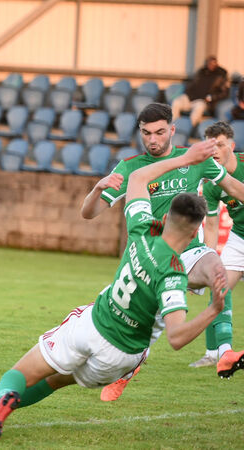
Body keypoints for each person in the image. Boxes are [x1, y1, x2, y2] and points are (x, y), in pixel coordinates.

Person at [0, 139, 238, 444]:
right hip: (120, 358)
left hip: (93, 325)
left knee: (21, 375)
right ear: (195, 230)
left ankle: (0, 401)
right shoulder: (173, 273)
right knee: (53, 382)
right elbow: (176, 338)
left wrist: (185, 157)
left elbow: (139, 178)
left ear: (167, 218)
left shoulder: (141, 229)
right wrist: (213, 309)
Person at [80, 103, 244, 401]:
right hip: (146, 257)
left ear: (172, 129)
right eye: (146, 133)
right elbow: (88, 214)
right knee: (142, 327)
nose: (152, 140)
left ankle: (224, 352)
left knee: (217, 272)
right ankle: (129, 369)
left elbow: (234, 187)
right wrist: (96, 189)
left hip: (189, 250)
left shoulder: (193, 158)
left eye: (158, 132)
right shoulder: (130, 167)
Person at [200, 122, 244, 368]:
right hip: (239, 239)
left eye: (220, 145)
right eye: (210, 146)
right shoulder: (211, 184)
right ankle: (219, 352)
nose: (215, 150)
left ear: (232, 146)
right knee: (218, 288)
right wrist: (207, 258)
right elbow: (213, 225)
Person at [171, 56, 229, 126]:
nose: (211, 65)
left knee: (199, 107)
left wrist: (211, 98)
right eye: (209, 63)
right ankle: (174, 125)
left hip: (203, 100)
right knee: (176, 102)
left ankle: (189, 127)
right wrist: (187, 93)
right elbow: (192, 84)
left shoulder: (221, 75)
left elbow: (224, 93)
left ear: (217, 64)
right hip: (190, 97)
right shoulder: (201, 72)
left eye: (213, 63)